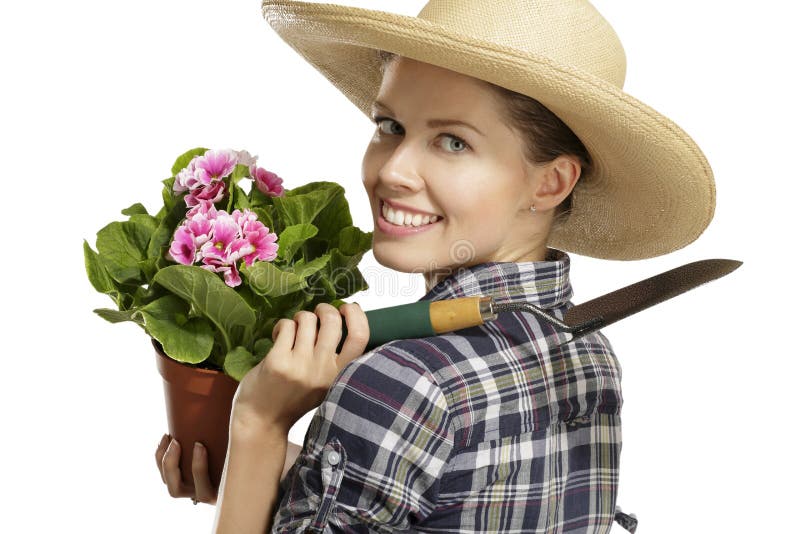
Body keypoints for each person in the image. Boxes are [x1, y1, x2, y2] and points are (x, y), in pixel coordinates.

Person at [155, 1, 715, 532]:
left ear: (551, 183)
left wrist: (257, 425)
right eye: (390, 126)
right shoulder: (591, 354)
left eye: (453, 142)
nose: (394, 170)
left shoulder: (400, 382)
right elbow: (453, 499)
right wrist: (258, 476)